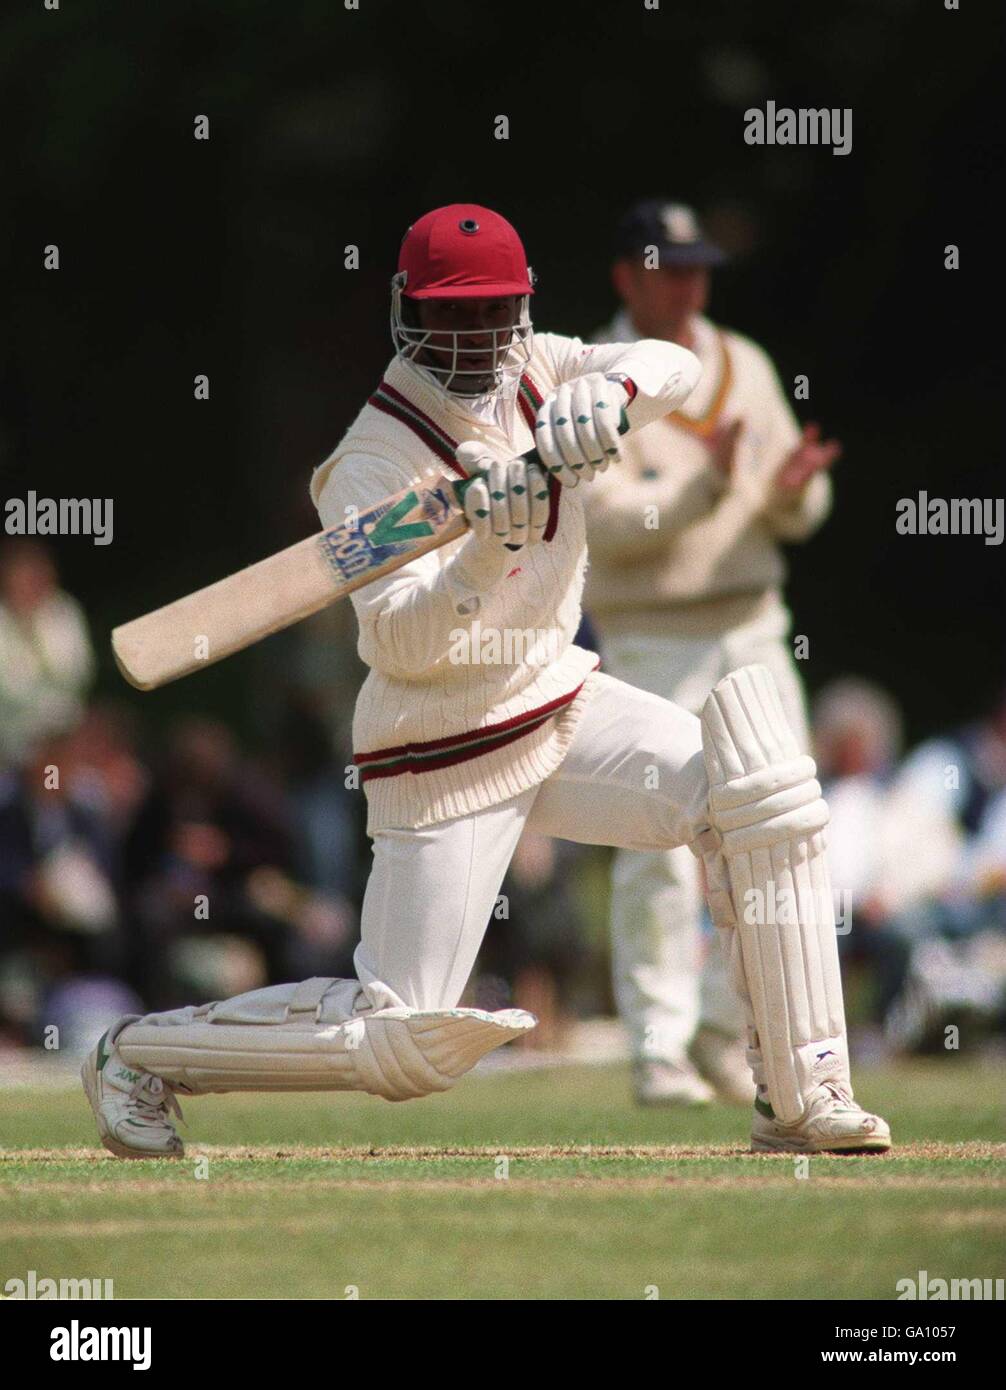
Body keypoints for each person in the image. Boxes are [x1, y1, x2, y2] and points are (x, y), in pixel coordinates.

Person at [82, 203, 889, 1158]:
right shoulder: (370, 461)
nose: (473, 337)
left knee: (760, 793)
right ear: (406, 311)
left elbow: (679, 365)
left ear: (523, 305)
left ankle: (800, 1098)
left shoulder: (543, 363)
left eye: (492, 312)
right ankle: (138, 1055)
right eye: (450, 316)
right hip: (440, 741)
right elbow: (405, 644)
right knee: (405, 1040)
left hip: (561, 696)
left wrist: (615, 391)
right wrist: (481, 555)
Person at [581, 200, 838, 1106]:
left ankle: (741, 1037)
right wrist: (705, 489)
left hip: (753, 625)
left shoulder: (743, 364)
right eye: (668, 265)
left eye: (698, 266)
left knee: (775, 830)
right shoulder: (597, 377)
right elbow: (602, 525)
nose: (688, 282)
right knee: (657, 843)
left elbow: (790, 508)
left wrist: (792, 495)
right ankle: (658, 1045)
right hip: (650, 632)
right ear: (627, 275)